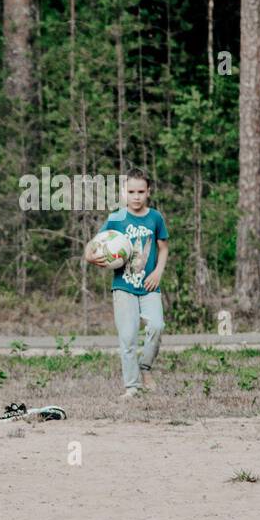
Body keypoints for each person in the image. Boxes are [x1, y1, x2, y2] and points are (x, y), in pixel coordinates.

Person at [84, 169, 168, 397]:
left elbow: (163, 248)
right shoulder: (116, 218)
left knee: (157, 326)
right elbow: (94, 244)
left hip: (149, 286)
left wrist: (158, 272)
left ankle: (145, 367)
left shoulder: (155, 218)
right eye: (131, 191)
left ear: (148, 192)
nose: (136, 196)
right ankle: (132, 387)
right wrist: (90, 256)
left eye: (141, 191)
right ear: (124, 192)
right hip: (124, 286)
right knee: (128, 338)